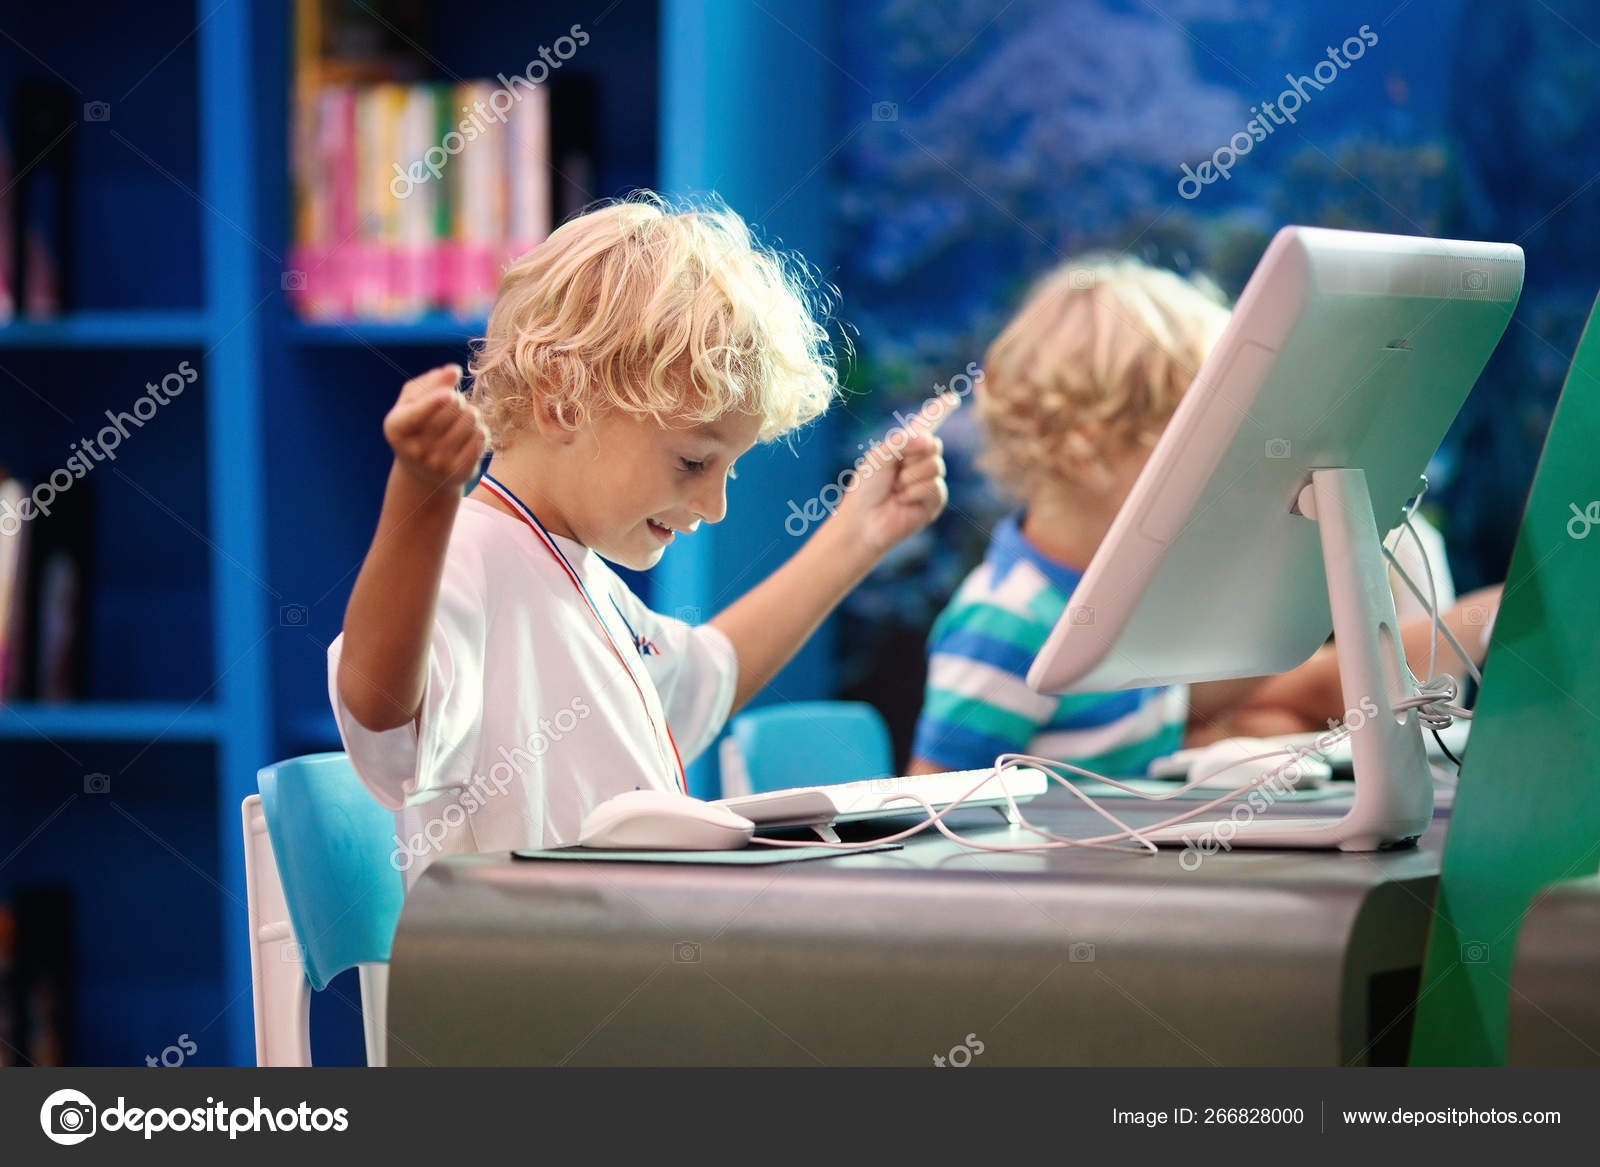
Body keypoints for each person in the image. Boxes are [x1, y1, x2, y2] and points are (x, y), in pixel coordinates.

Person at [330, 194, 951, 884]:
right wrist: (420, 498)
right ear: (564, 401)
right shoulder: (467, 562)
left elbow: (708, 674)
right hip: (521, 982)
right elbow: (380, 708)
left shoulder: (585, 580)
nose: (714, 505)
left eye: (729, 470)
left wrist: (861, 534)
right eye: (693, 461)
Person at [910, 254, 1496, 776]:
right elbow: (927, 811)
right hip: (1071, 887)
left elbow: (1288, 689)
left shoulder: (1143, 589)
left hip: (1141, 861)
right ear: (1090, 446)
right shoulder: (1004, 621)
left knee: (1264, 725)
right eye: (1200, 431)